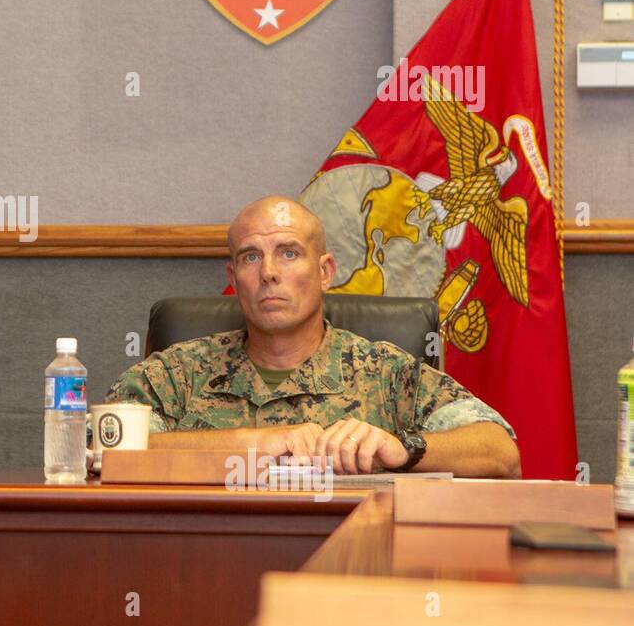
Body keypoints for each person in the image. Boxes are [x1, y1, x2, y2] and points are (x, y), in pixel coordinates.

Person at [105, 195, 521, 477]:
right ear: (235, 278)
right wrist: (254, 443)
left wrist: (405, 447)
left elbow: (502, 452)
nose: (269, 272)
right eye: (251, 257)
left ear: (324, 272)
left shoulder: (383, 372)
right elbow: (102, 452)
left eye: (288, 253)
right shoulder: (179, 372)